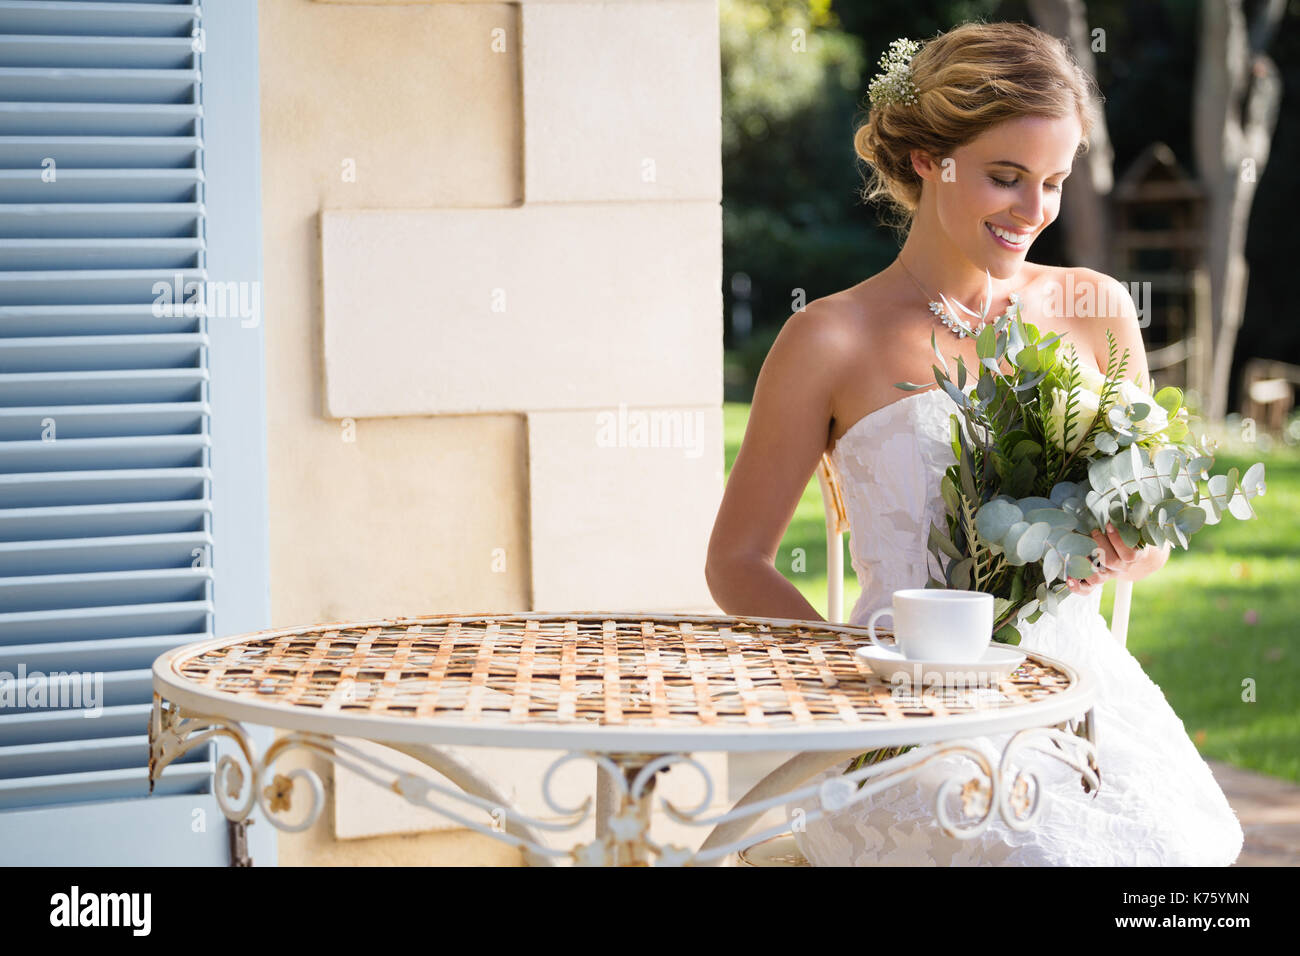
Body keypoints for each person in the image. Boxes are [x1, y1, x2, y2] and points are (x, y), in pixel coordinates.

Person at [704, 21, 1245, 866]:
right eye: (1007, 177)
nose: (1036, 212)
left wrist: (1127, 550)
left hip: (1077, 699)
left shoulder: (1096, 309)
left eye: (1056, 182)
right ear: (927, 156)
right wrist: (859, 680)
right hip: (904, 717)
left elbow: (1149, 540)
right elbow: (737, 561)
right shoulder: (830, 338)